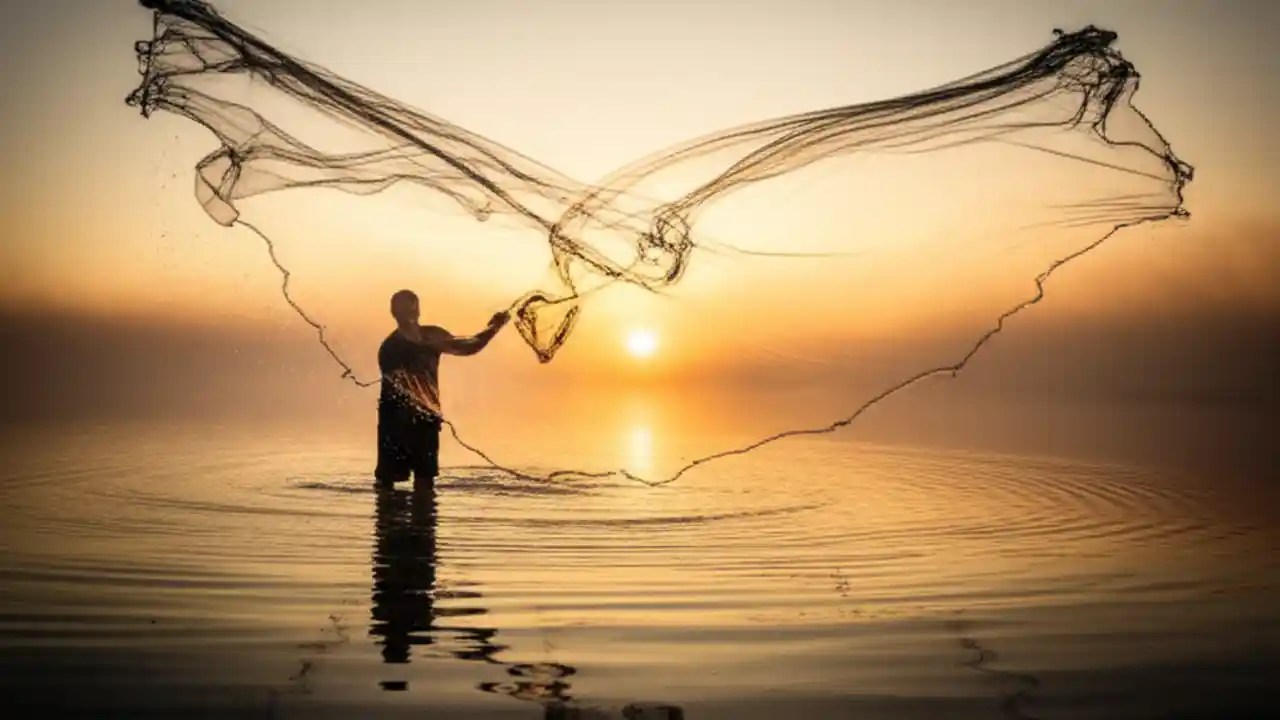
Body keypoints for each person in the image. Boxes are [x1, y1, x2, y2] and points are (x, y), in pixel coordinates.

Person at [376, 289, 509, 486]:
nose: (407, 316)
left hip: (426, 420)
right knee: (388, 483)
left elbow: (468, 346)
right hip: (396, 420)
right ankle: (388, 516)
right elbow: (399, 387)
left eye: (411, 310)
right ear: (393, 313)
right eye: (401, 312)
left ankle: (425, 515)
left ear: (418, 310)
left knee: (425, 480)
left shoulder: (432, 335)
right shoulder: (390, 347)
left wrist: (493, 327)